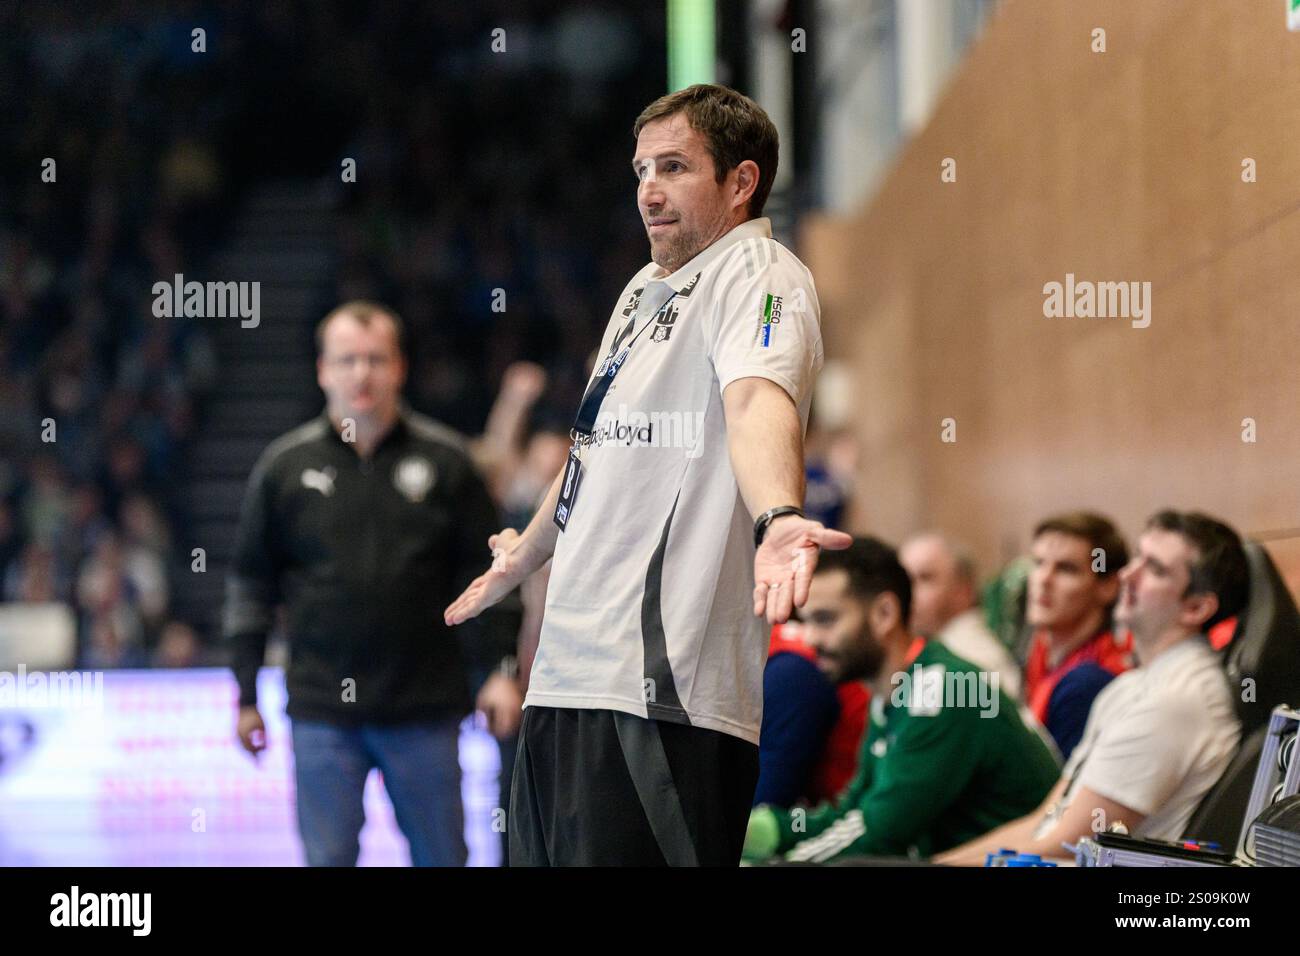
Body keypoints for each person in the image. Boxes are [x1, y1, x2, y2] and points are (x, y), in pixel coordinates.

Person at [444, 83, 851, 866]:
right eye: (640, 171)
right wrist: (528, 553)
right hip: (566, 678)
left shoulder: (760, 274)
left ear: (741, 182)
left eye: (674, 166)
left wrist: (776, 516)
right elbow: (595, 452)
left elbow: (757, 402)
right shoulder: (642, 290)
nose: (648, 191)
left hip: (659, 694)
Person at [223, 301, 521, 867]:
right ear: (322, 371)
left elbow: (493, 576)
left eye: (375, 359)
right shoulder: (283, 468)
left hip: (425, 711)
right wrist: (243, 694)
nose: (361, 373)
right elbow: (250, 586)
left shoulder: (448, 463)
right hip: (320, 715)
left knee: (442, 860)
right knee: (327, 859)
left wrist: (500, 672)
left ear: (399, 368)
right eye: (347, 360)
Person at [937, 510, 1248, 864]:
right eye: (1137, 560)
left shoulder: (1174, 701)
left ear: (1195, 607)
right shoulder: (1132, 686)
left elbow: (1063, 845)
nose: (1128, 576)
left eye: (1155, 569)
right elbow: (1043, 822)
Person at [744, 539, 1059, 863]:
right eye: (805, 621)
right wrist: (764, 829)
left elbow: (877, 835)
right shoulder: (896, 689)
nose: (810, 639)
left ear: (884, 613)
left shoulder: (941, 691)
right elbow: (854, 814)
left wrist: (778, 863)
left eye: (825, 620)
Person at [1021, 512, 1132, 759]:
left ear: (1108, 587)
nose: (1044, 579)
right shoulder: (1039, 653)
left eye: (1066, 569)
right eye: (1038, 563)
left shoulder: (1091, 683)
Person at [899, 531, 1021, 698]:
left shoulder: (974, 657)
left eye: (925, 578)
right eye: (904, 580)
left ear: (964, 591)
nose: (908, 592)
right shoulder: (937, 646)